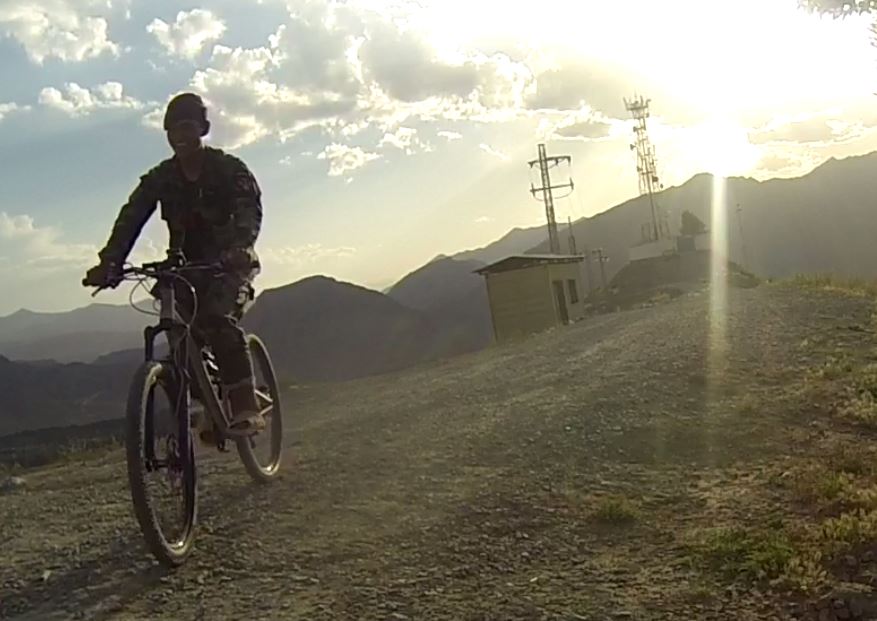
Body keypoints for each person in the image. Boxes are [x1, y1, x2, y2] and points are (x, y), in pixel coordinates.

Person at [82, 92, 265, 437]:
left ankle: (245, 403)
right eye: (172, 129)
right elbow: (132, 217)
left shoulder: (229, 169)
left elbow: (248, 209)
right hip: (183, 269)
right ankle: (208, 403)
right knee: (179, 334)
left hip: (229, 265)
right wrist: (110, 262)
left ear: (203, 128)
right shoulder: (161, 178)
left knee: (216, 319)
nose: (179, 135)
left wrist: (241, 246)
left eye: (187, 126)